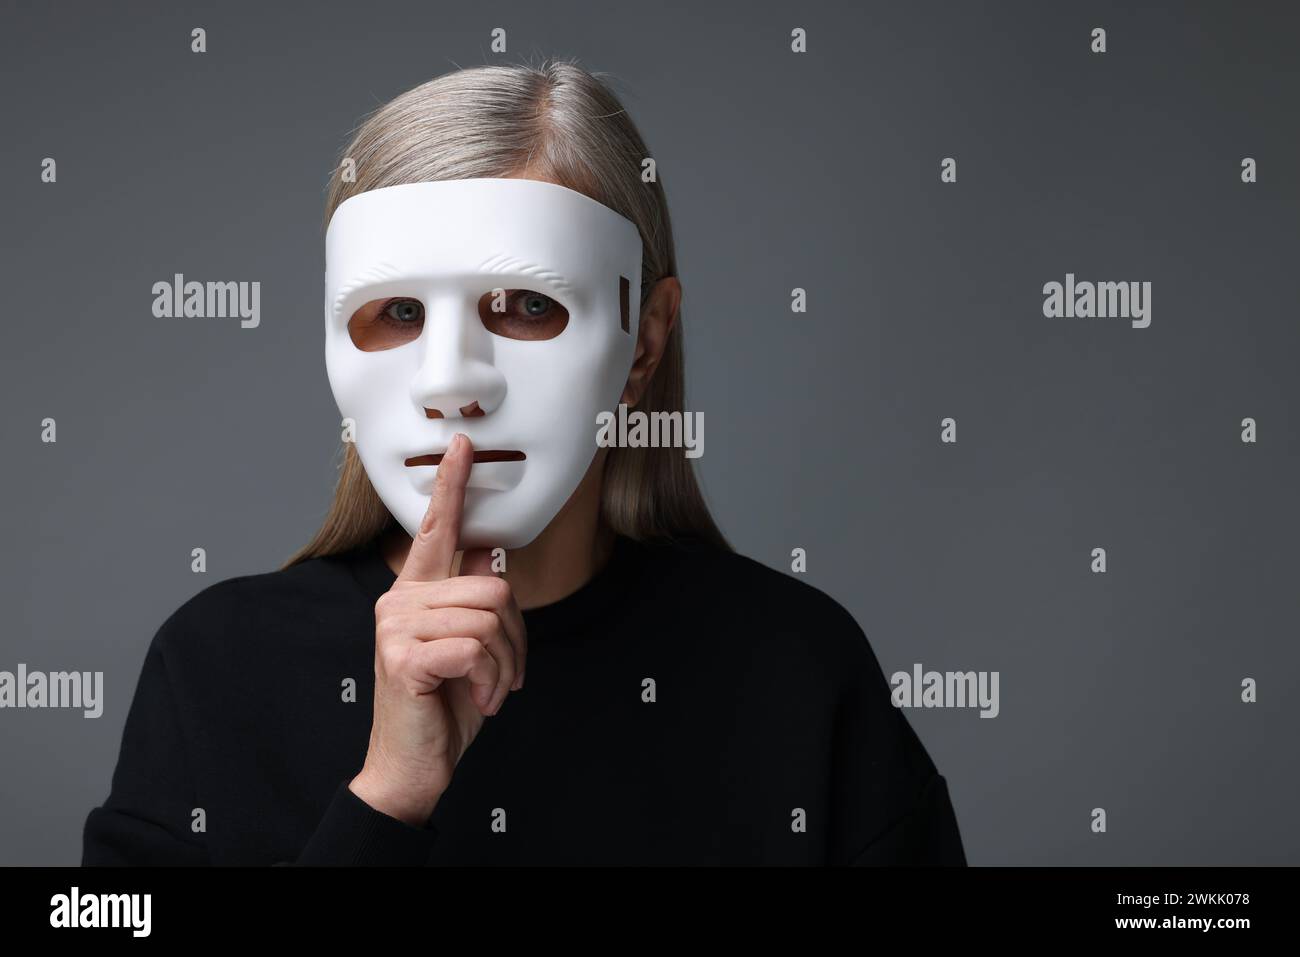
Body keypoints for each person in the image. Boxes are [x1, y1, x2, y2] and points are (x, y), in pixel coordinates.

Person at [82, 57, 966, 866]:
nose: (452, 385)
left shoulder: (795, 670)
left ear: (645, 339)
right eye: (395, 314)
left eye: (523, 306)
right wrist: (387, 797)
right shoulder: (218, 668)